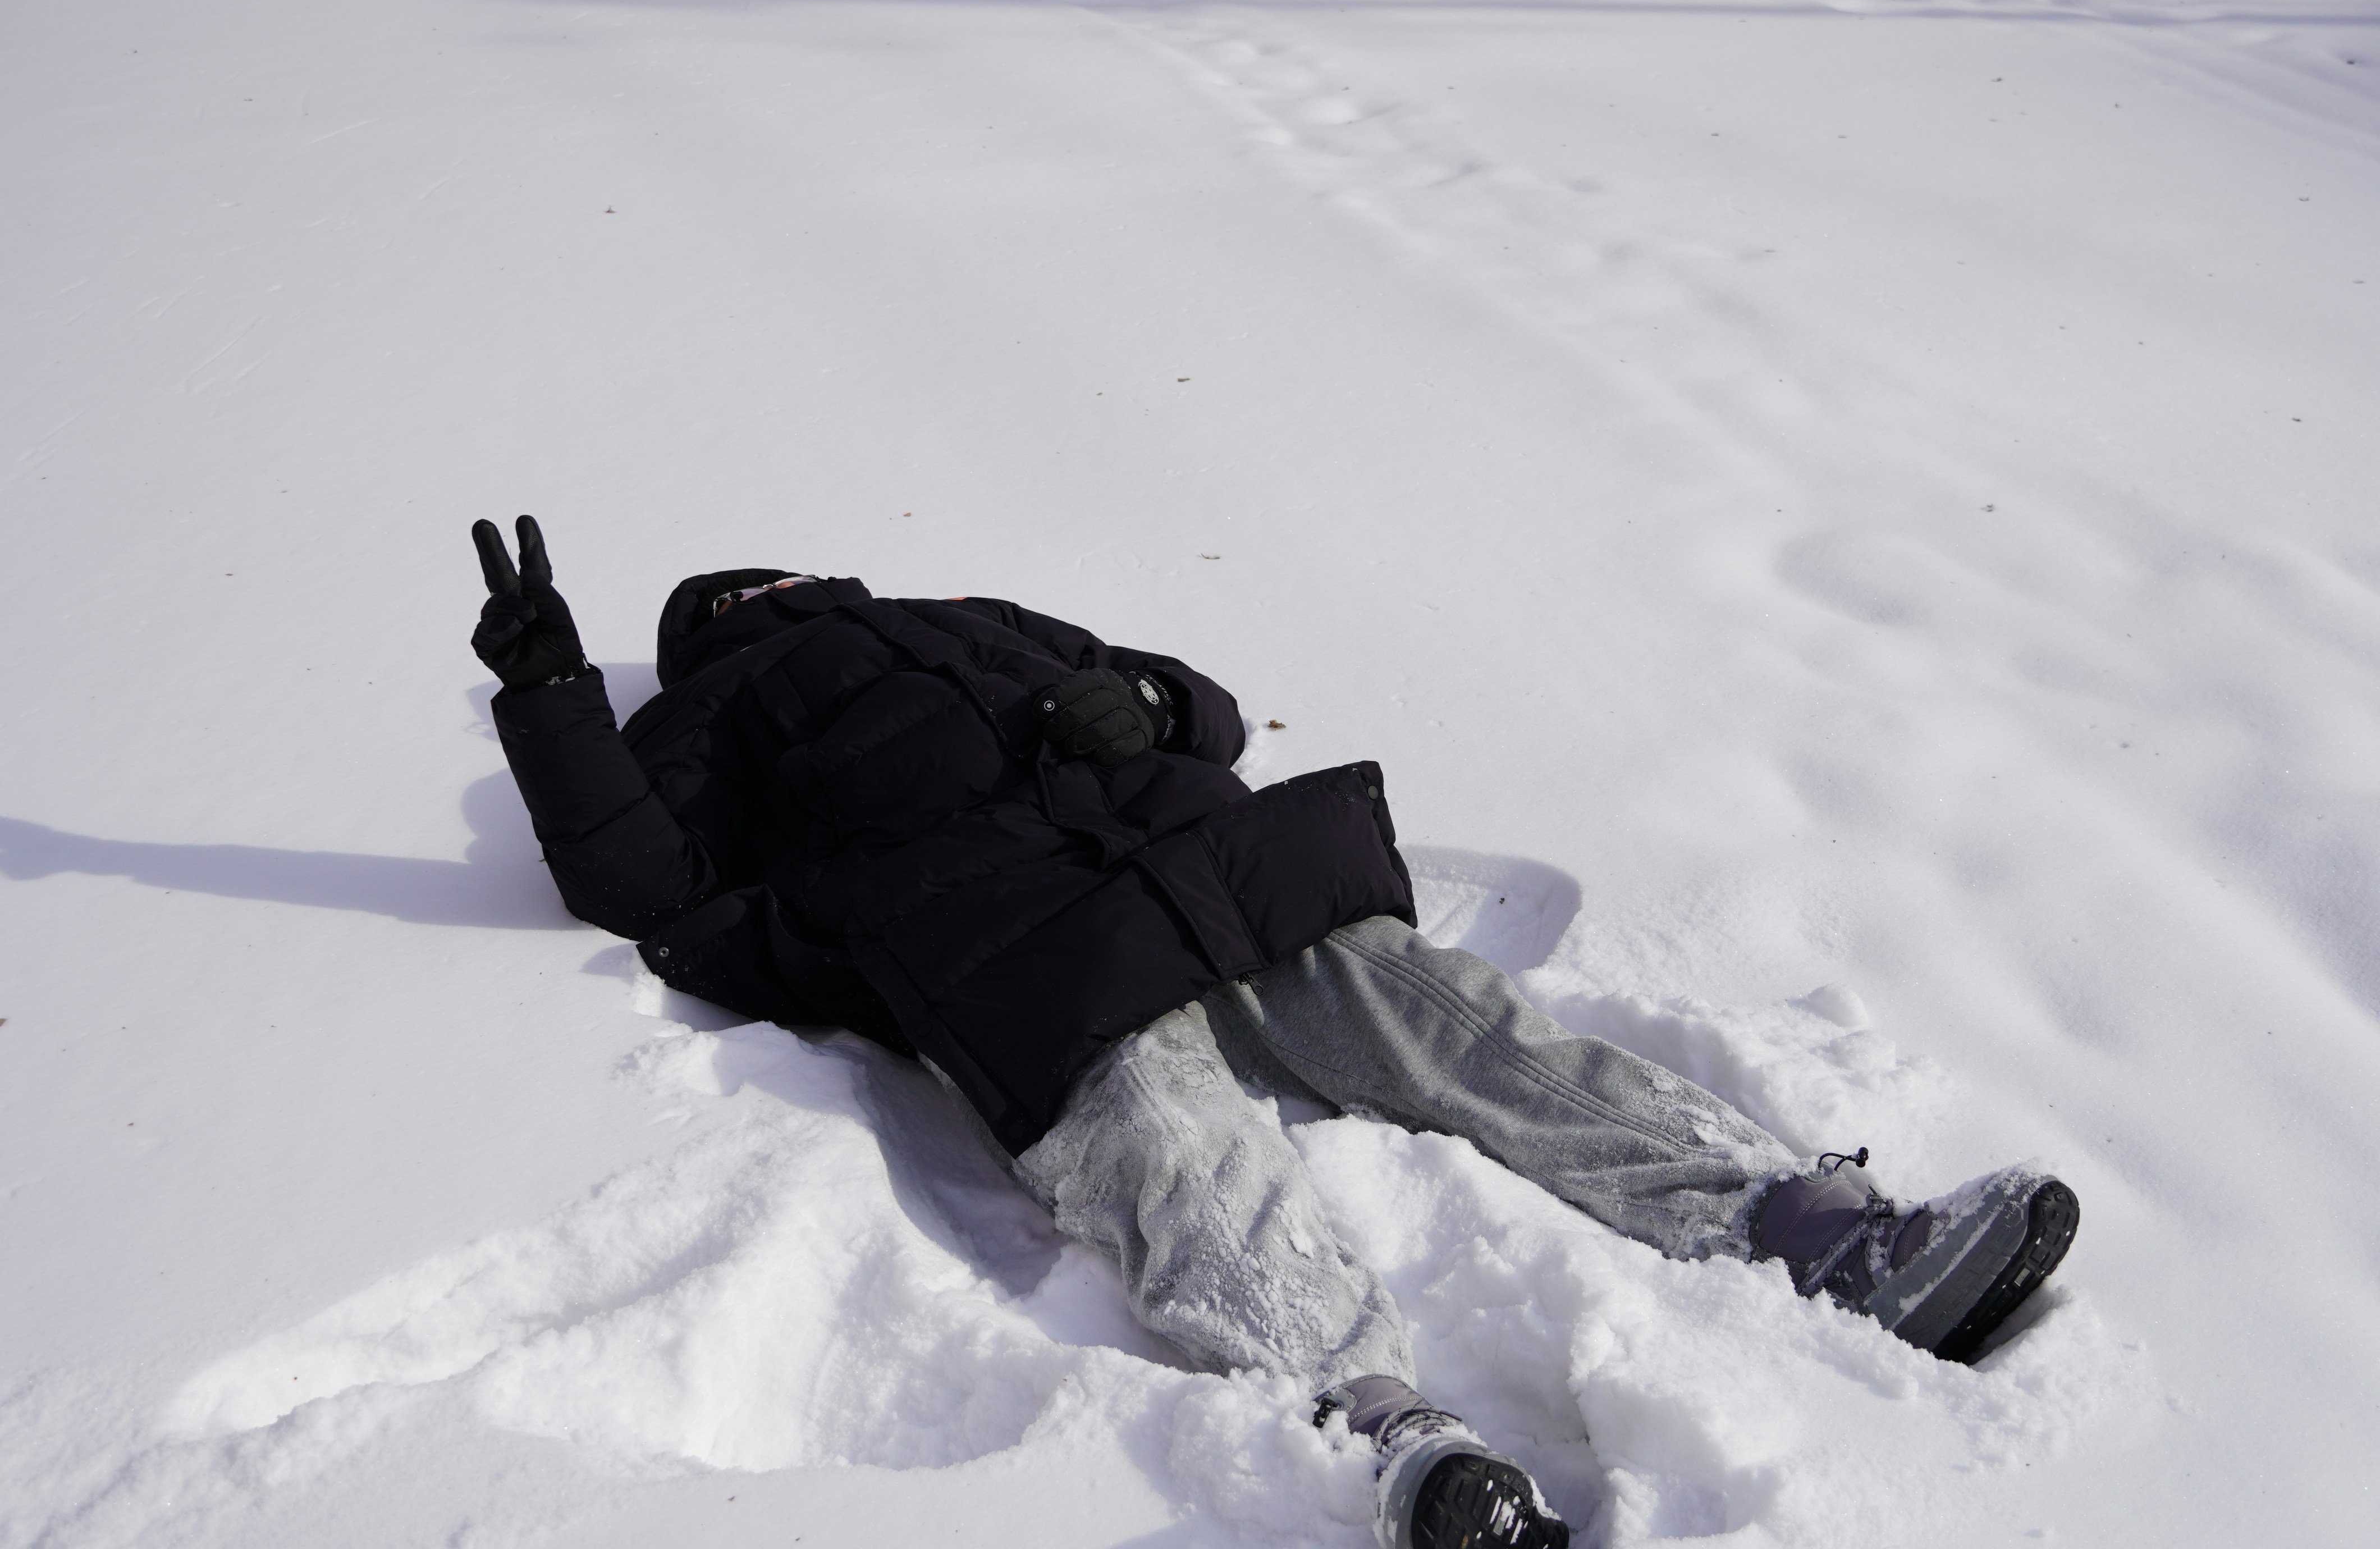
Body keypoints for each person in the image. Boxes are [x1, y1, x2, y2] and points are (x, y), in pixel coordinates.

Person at [469, 517, 2080, 1549]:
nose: (782, 596)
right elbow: (651, 881)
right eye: (749, 596)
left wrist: (1149, 712)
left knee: (1459, 1023)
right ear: (719, 630)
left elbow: (1204, 709)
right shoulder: (711, 717)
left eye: (783, 578)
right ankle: (1392, 1439)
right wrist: (553, 706)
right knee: (1169, 1144)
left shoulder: (966, 615)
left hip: (1220, 873)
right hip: (1021, 950)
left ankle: (1817, 1230)